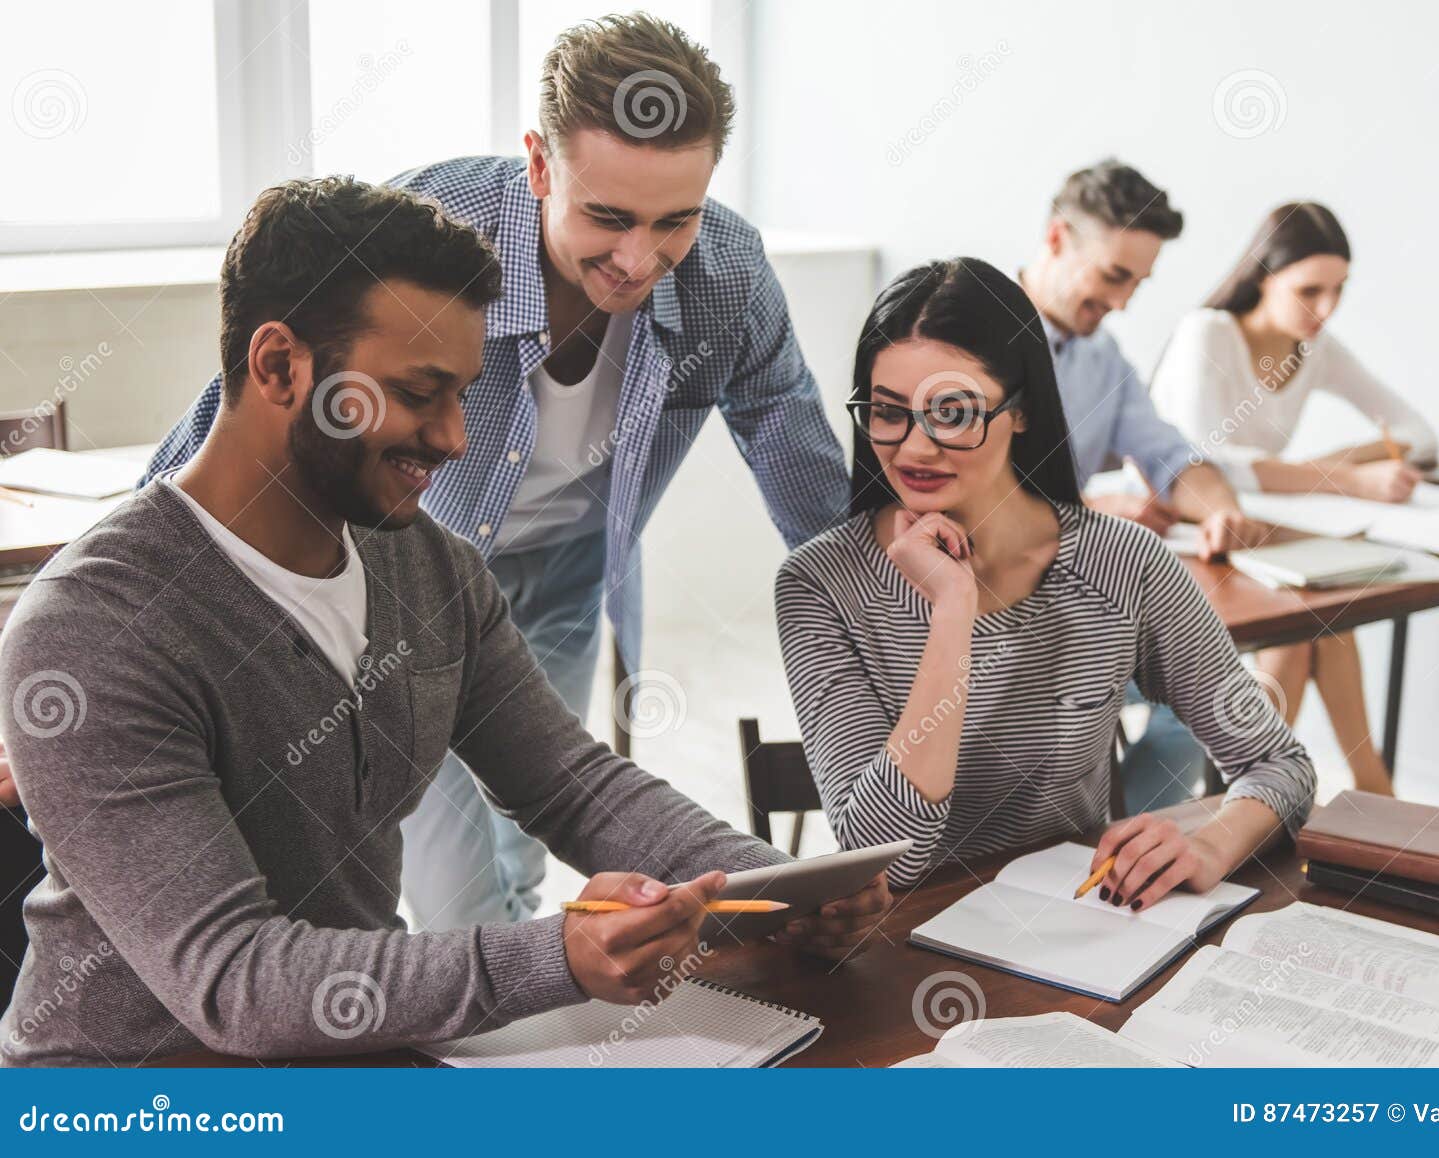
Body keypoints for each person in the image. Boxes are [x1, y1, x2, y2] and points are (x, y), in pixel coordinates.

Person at [0, 177, 887, 1066]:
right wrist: (556, 956)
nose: (456, 437)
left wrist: (773, 889)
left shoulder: (427, 567)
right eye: (421, 393)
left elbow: (571, 784)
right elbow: (238, 980)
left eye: (462, 392)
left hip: (357, 1061)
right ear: (278, 367)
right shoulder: (93, 632)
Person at [139, 14, 849, 931]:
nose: (640, 260)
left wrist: (907, 638)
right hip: (402, 580)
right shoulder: (422, 232)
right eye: (607, 217)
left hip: (561, 572)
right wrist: (97, 623)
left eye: (675, 220)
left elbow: (808, 478)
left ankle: (494, 1053)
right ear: (541, 166)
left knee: (525, 851)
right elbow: (229, 415)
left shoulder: (728, 278)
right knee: (457, 892)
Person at [774, 258, 1315, 900]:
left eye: (952, 411)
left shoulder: (1125, 563)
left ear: (1022, 409)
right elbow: (886, 862)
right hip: (900, 950)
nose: (914, 448)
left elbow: (1281, 764)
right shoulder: (818, 584)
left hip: (1083, 933)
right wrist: (951, 613)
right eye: (888, 412)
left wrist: (1209, 844)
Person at [1151, 202, 1438, 795]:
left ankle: (1271, 798)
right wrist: (1348, 477)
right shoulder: (1208, 333)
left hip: (1253, 533)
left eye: (1339, 291)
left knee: (1320, 611)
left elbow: (1419, 436)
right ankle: (1332, 792)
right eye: (1311, 290)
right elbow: (1206, 462)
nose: (1326, 310)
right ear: (1264, 275)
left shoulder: (1314, 350)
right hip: (1175, 535)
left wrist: (1330, 466)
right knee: (1311, 615)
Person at [1017, 159, 1273, 813]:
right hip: (988, 632)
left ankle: (1113, 853)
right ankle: (1094, 853)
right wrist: (1087, 511)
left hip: (1072, 618)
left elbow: (1167, 455)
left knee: (1207, 699)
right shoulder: (967, 338)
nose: (1124, 301)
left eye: (1139, 282)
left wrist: (1219, 509)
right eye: (1113, 276)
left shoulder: (1101, 360)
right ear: (1056, 240)